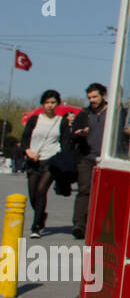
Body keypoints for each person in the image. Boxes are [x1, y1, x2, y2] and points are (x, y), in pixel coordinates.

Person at [18, 90, 73, 238]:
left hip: (51, 161)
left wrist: (62, 158)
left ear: (57, 104)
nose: (50, 105)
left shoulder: (61, 121)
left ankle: (36, 226)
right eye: (47, 102)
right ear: (43, 104)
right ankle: (41, 215)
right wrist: (28, 151)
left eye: (53, 102)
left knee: (42, 190)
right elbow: (25, 139)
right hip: (33, 160)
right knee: (33, 195)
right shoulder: (34, 119)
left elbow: (65, 143)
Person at [68, 82, 108, 239]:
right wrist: (80, 133)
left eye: (95, 97)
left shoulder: (113, 112)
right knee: (85, 190)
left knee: (103, 193)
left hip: (105, 158)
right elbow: (72, 134)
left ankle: (99, 224)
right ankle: (79, 224)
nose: (92, 100)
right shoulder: (84, 114)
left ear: (104, 95)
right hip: (86, 157)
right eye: (90, 97)